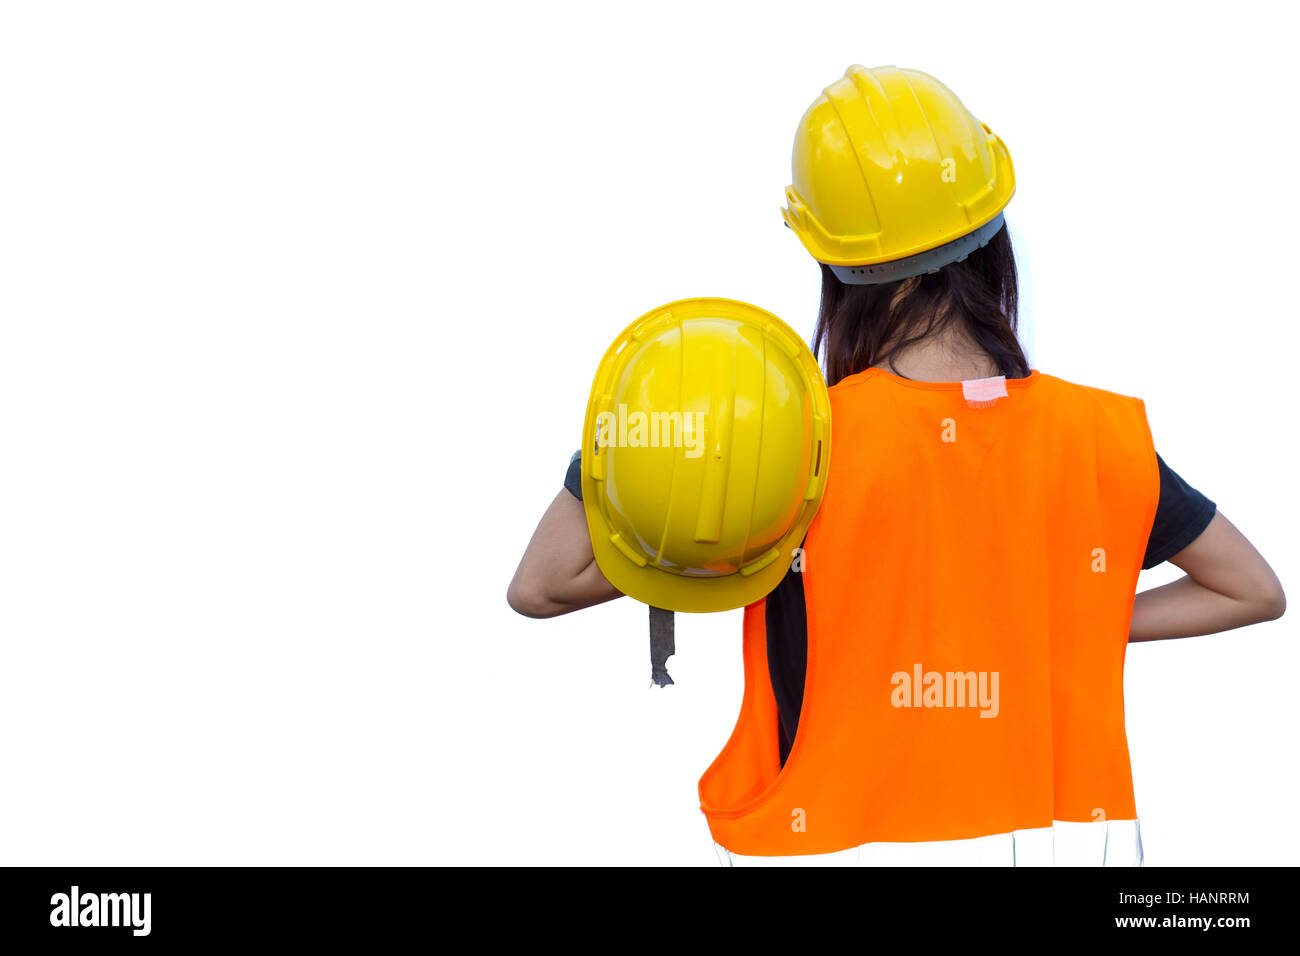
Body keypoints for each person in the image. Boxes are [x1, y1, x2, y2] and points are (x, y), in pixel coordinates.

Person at [507, 65, 1285, 865]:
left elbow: (542, 586)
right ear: (992, 233)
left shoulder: (789, 446)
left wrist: (647, 430)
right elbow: (1251, 590)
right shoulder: (1098, 438)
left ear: (833, 261)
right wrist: (1053, 625)